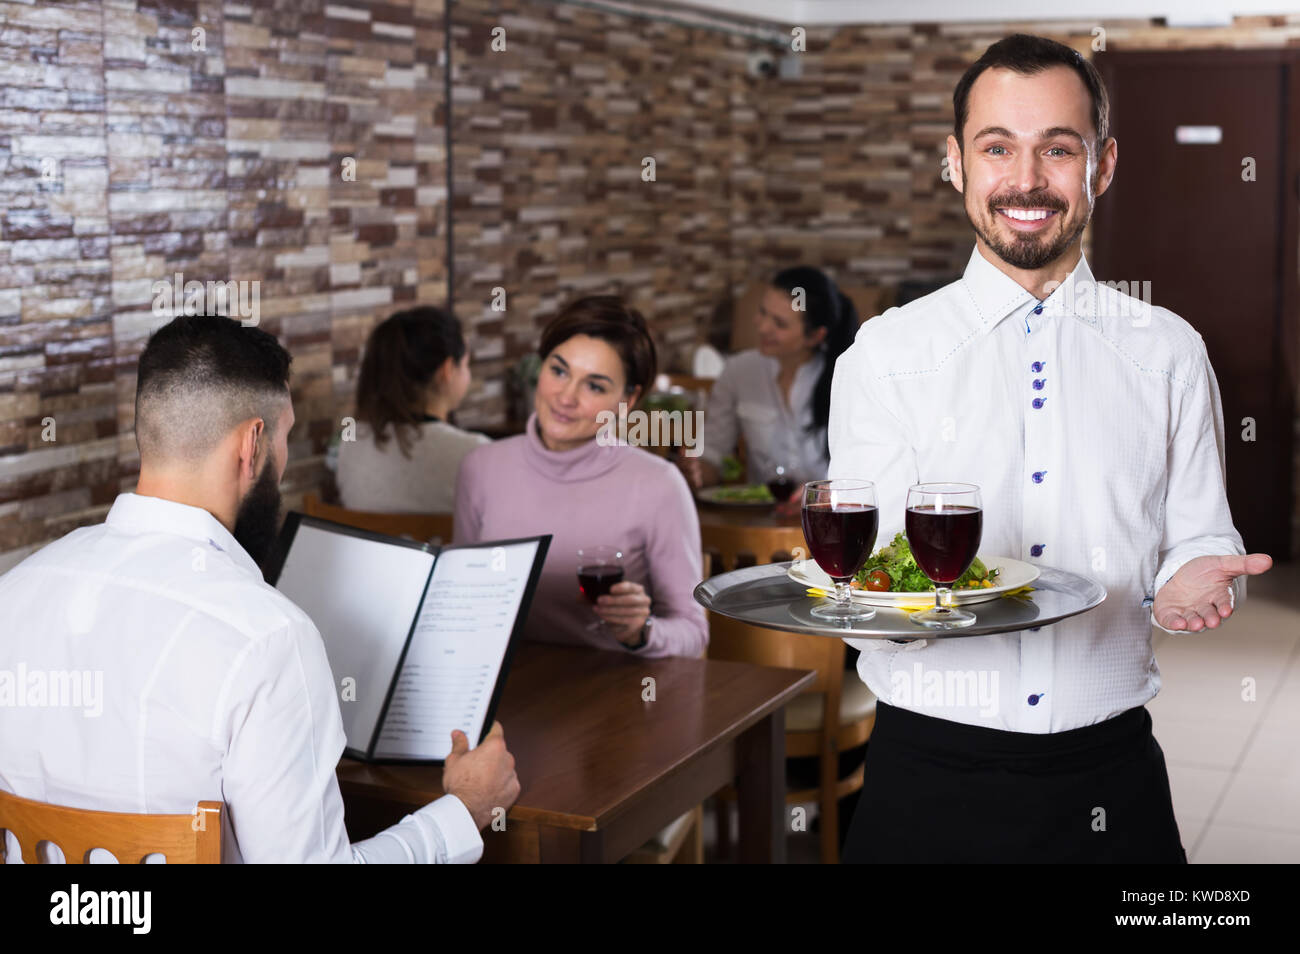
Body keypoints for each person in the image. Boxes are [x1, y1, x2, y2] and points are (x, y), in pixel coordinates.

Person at [829, 34, 1273, 864]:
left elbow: (1205, 538)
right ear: (955, 163)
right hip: (926, 779)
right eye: (997, 147)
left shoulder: (1169, 350)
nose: (1026, 181)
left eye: (1057, 150)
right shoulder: (884, 355)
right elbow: (870, 581)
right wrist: (871, 596)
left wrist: (1196, 584)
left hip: (1110, 777)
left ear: (1101, 166)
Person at [0, 315, 519, 863]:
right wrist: (462, 811)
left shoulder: (14, 594)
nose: (286, 460)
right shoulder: (269, 639)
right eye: (286, 436)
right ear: (252, 443)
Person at [454, 295, 708, 658]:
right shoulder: (480, 468)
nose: (566, 397)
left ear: (628, 400)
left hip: (617, 694)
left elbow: (693, 633)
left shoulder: (658, 485)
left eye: (594, 386)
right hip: (506, 691)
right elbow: (458, 603)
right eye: (559, 371)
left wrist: (642, 630)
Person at [681, 266, 858, 494]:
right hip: (762, 520)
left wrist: (821, 494)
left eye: (780, 324)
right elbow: (713, 454)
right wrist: (694, 472)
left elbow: (862, 471)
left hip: (829, 517)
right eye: (763, 313)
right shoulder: (739, 371)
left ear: (815, 336)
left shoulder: (846, 378)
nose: (763, 327)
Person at [337, 306, 488, 513]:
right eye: (466, 365)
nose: (468, 375)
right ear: (447, 370)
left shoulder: (351, 447)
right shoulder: (475, 455)